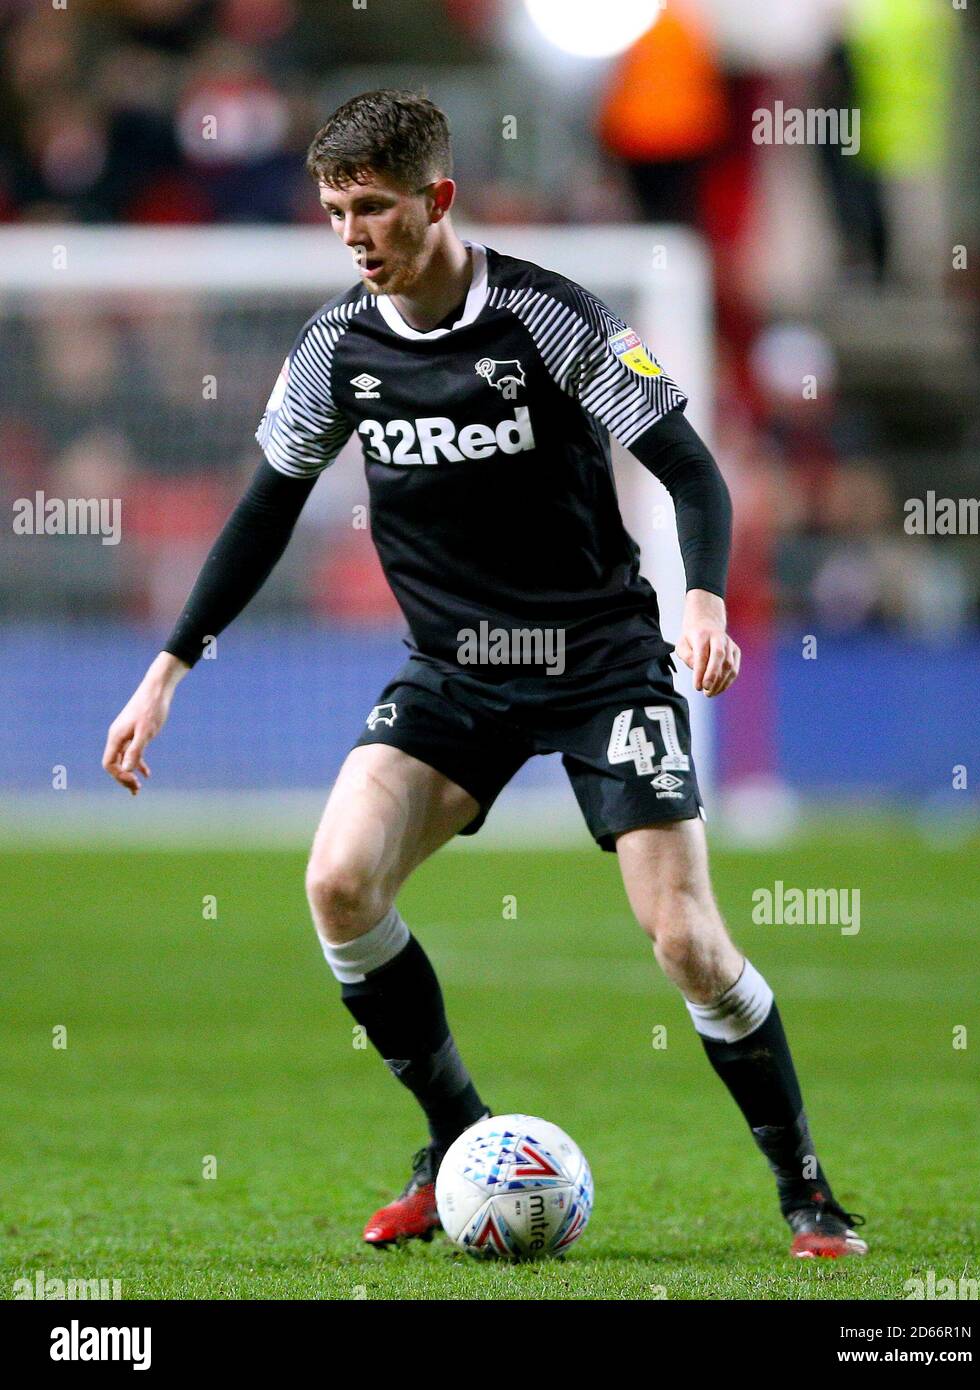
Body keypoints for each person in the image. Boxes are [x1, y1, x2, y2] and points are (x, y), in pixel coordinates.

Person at [102, 89, 866, 1259]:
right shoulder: (335, 350)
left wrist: (702, 595)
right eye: (333, 210)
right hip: (452, 672)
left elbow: (691, 471)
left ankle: (803, 1187)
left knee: (686, 943)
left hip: (602, 663)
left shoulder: (550, 321)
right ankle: (458, 1138)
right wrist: (167, 667)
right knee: (339, 883)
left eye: (371, 207)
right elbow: (262, 512)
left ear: (437, 199)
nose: (352, 233)